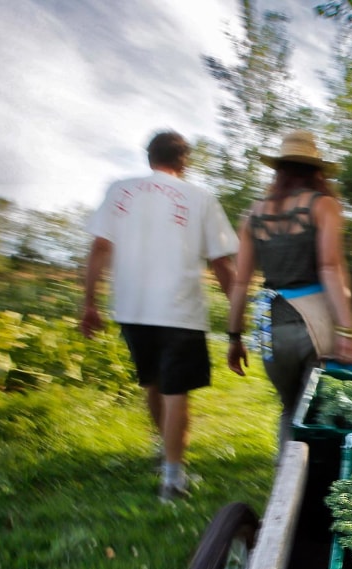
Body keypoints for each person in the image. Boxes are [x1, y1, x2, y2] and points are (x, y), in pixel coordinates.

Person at [80, 130, 239, 501]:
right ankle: (173, 479)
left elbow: (99, 248)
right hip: (178, 308)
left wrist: (89, 303)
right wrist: (237, 316)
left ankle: (163, 452)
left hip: (132, 307)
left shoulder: (119, 190)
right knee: (175, 390)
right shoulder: (199, 197)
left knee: (151, 382)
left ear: (149, 157)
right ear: (184, 161)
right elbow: (221, 263)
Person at [226, 130, 352, 447]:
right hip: (317, 323)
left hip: (272, 327)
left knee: (291, 412)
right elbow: (330, 268)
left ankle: (286, 490)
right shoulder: (323, 205)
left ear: (279, 171)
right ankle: (326, 489)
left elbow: (241, 282)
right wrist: (347, 331)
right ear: (317, 171)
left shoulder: (252, 216)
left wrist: (234, 337)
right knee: (329, 415)